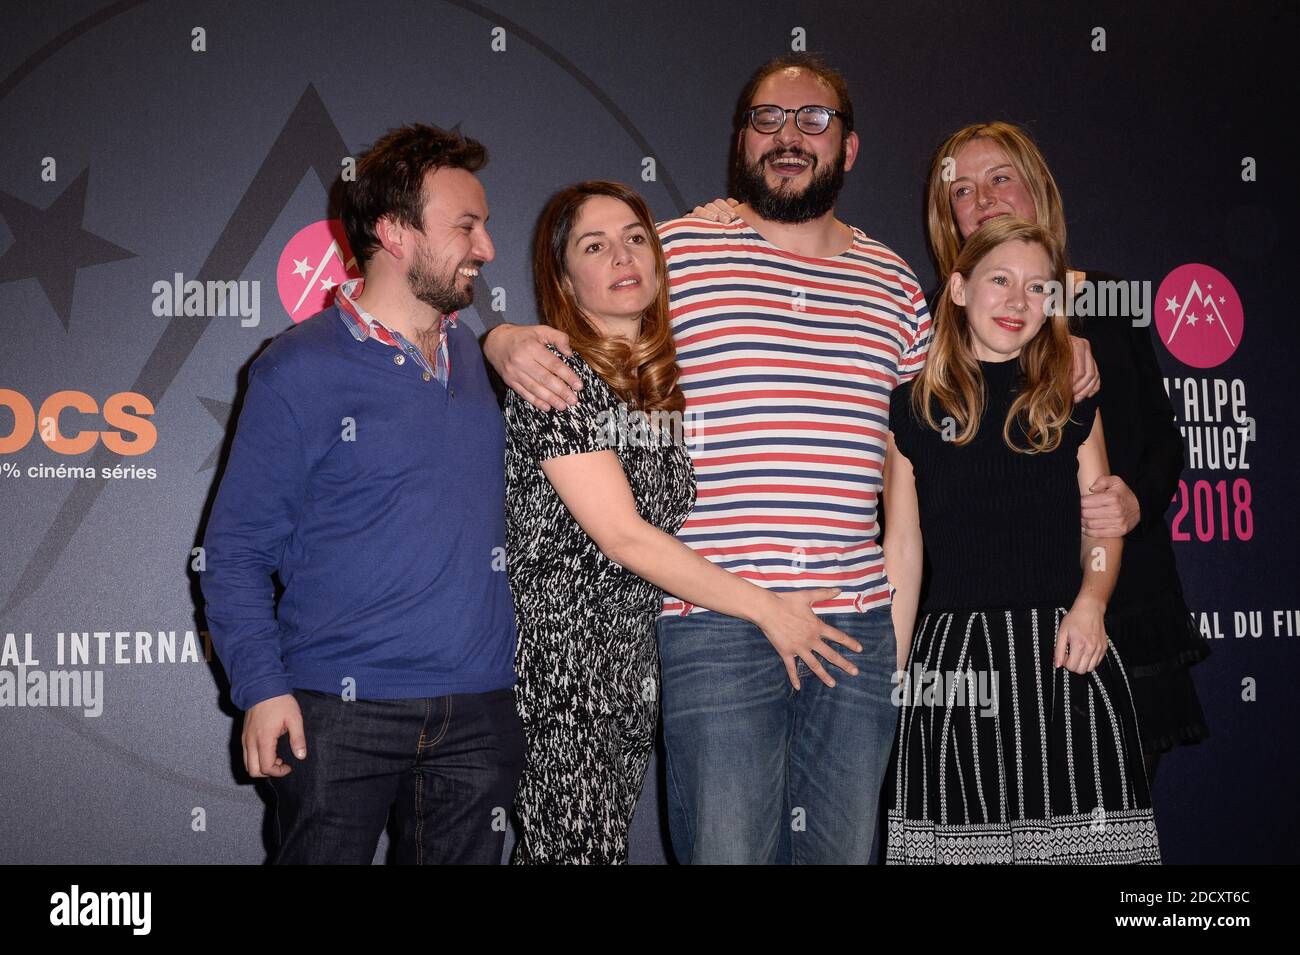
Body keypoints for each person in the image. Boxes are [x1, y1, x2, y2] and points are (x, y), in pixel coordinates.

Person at [486, 55, 1098, 864]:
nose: (788, 135)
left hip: (857, 631)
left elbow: (935, 439)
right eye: (768, 120)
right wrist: (501, 340)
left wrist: (1064, 333)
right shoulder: (675, 253)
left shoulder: (892, 283)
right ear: (743, 144)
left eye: (814, 120)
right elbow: (585, 321)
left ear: (848, 150)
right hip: (716, 625)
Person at [506, 181, 860, 864]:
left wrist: (721, 220)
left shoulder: (655, 387)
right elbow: (624, 535)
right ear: (565, 279)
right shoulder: (556, 375)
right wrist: (769, 610)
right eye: (594, 245)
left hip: (631, 666)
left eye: (636, 238)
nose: (622, 255)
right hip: (565, 674)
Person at [200, 124, 524, 864]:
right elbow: (237, 551)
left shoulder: (483, 361)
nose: (487, 247)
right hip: (337, 716)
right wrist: (261, 687)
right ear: (394, 232)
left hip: (479, 712)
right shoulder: (295, 369)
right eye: (467, 225)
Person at [926, 121, 1209, 782]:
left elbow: (1164, 439)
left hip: (1122, 599)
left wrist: (1134, 501)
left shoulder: (1109, 300)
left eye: (1000, 177)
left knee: (1112, 822)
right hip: (991, 621)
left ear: (1037, 188)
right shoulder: (939, 324)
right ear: (949, 218)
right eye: (962, 190)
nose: (984, 197)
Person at [882, 216, 1160, 864]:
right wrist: (894, 679)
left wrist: (1092, 600)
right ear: (957, 288)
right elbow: (902, 548)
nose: (1017, 301)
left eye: (1038, 287)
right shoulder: (910, 410)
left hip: (1066, 654)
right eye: (999, 280)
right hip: (952, 667)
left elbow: (1101, 521)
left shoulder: (1070, 399)